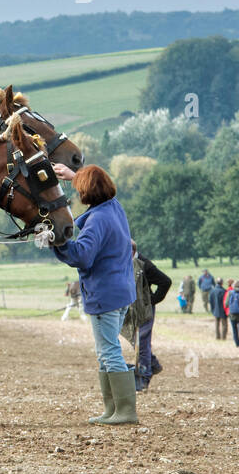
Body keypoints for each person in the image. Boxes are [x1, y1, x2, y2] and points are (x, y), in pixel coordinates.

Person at [46, 163, 138, 425]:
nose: (77, 194)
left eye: (79, 189)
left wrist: (56, 241)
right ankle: (112, 410)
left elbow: (82, 256)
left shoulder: (96, 220)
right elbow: (98, 189)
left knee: (109, 352)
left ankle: (125, 411)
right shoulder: (113, 207)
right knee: (106, 351)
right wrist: (75, 176)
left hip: (104, 295)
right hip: (120, 293)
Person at [129, 247, 171, 392]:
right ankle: (153, 364)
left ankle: (144, 377)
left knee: (142, 341)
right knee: (138, 342)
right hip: (133, 307)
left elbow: (165, 281)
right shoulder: (127, 261)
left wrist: (152, 301)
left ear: (132, 251)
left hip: (145, 308)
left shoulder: (146, 264)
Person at [207, 276, 228, 341]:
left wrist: (212, 309)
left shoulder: (212, 291)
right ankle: (223, 337)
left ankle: (217, 336)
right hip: (223, 310)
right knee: (224, 325)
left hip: (215, 310)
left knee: (216, 324)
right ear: (222, 283)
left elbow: (210, 300)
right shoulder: (224, 291)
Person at [228, 280, 239, 347]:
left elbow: (226, 304)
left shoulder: (230, 293)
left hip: (232, 315)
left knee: (234, 330)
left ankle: (237, 343)